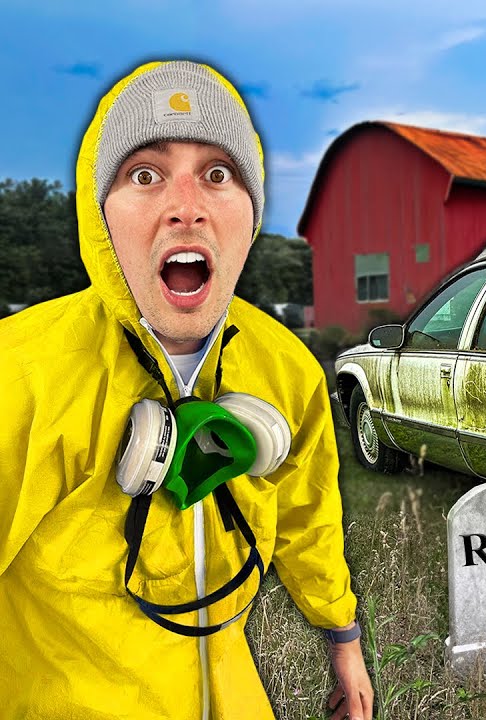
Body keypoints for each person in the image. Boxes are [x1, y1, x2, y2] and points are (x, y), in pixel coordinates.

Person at [0, 60, 373, 719]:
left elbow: (307, 516)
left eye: (218, 174)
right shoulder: (20, 374)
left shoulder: (284, 367)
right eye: (145, 174)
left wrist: (343, 636)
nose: (186, 208)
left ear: (251, 215)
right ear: (99, 214)